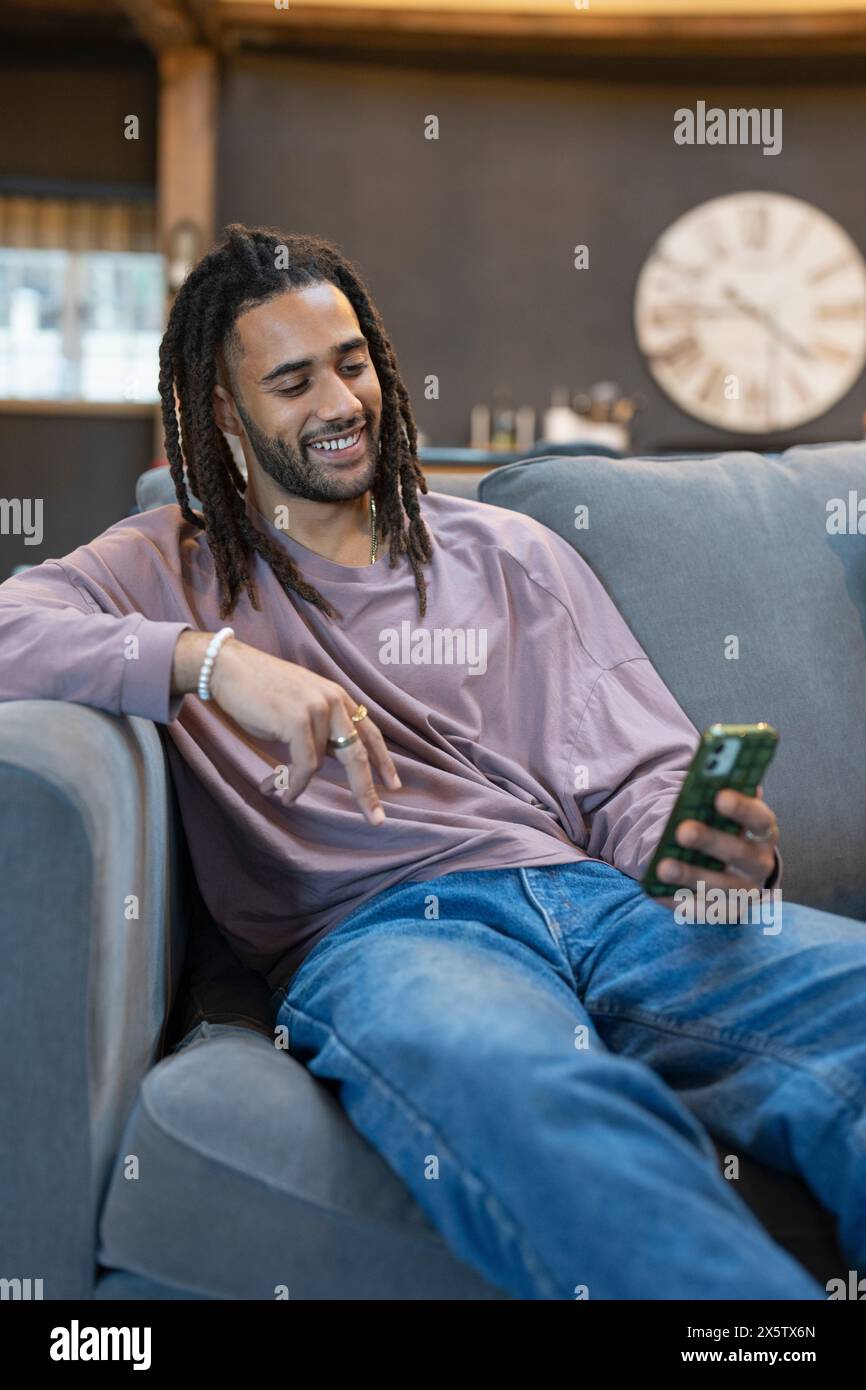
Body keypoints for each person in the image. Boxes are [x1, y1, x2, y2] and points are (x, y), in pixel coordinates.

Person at [1, 223, 863, 1301]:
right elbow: (9, 633)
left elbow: (633, 768)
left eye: (352, 362)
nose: (340, 402)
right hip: (390, 933)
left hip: (602, 905)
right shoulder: (163, 563)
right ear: (224, 413)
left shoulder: (504, 552)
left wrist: (697, 848)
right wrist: (213, 666)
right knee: (527, 1090)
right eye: (293, 380)